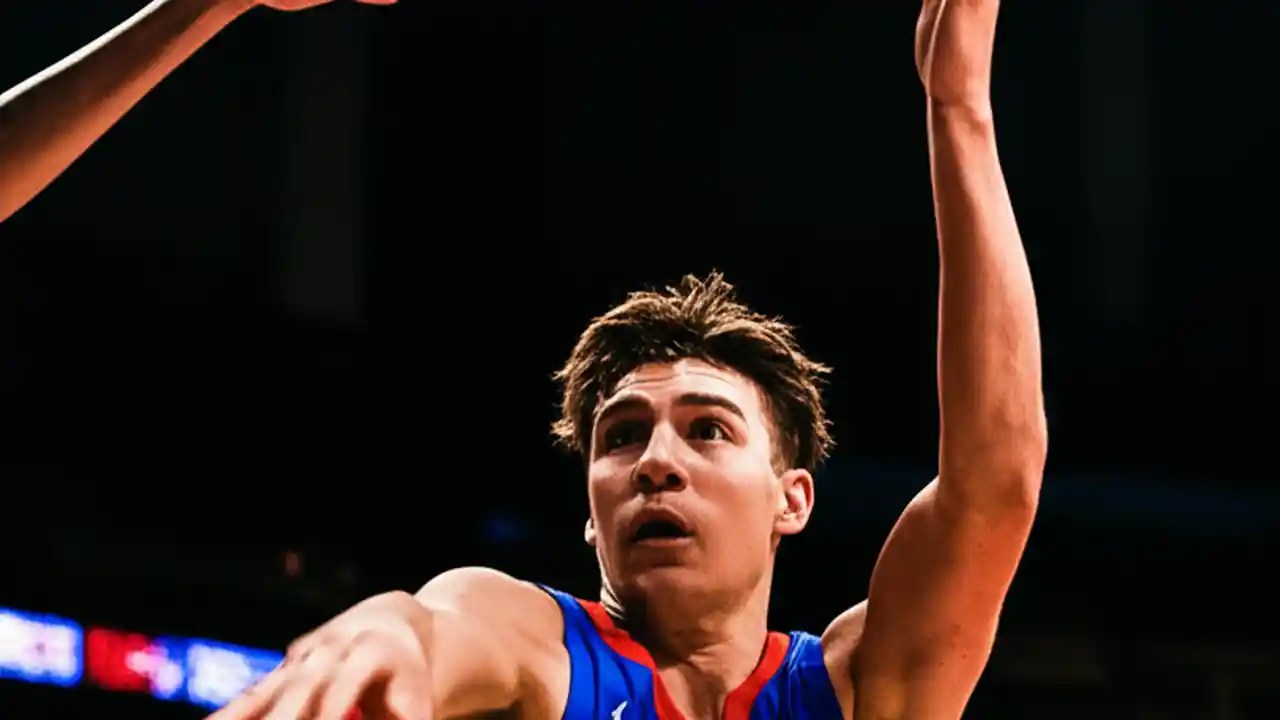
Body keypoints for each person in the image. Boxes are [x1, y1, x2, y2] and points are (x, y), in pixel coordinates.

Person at [0, 0, 1047, 717]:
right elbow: (441, 625)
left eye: (707, 430)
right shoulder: (544, 647)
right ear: (589, 514)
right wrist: (388, 635)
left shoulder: (853, 690)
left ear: (792, 498)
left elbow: (995, 482)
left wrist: (959, 106)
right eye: (621, 438)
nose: (655, 461)